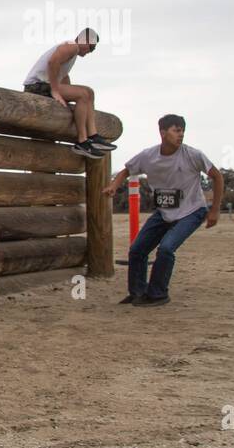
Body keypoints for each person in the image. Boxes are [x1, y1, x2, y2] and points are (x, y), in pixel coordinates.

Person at [102, 114, 222, 307]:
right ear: (163, 132)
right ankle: (138, 293)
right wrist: (114, 185)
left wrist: (214, 209)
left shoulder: (193, 155)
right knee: (137, 250)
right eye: (176, 130)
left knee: (166, 249)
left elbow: (217, 176)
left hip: (192, 211)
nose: (181, 134)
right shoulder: (149, 156)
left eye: (183, 130)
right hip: (164, 212)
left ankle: (158, 294)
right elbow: (127, 169)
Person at [22, 29, 117, 159]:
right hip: (36, 86)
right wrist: (55, 91)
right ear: (84, 41)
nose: (91, 51)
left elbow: (63, 76)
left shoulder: (73, 53)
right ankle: (82, 141)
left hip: (44, 84)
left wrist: (71, 96)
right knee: (83, 94)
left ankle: (93, 135)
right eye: (92, 47)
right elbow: (53, 62)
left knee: (89, 92)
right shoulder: (71, 46)